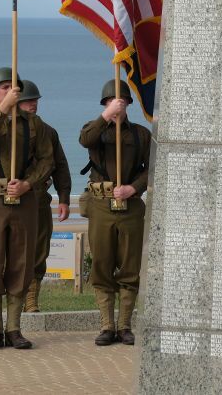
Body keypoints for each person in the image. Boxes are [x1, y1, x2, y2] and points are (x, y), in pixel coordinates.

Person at [0, 67, 54, 350]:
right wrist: (3, 109)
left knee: (21, 262)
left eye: (13, 87)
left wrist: (28, 184)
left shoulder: (34, 123)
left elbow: (46, 160)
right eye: (4, 87)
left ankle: (14, 328)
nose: (10, 91)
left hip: (23, 200)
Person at [80, 80, 152, 346]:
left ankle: (124, 326)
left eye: (120, 101)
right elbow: (85, 140)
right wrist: (106, 116)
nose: (116, 104)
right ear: (104, 103)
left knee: (130, 266)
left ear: (128, 103)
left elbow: (152, 167)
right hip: (101, 205)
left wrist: (133, 188)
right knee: (102, 264)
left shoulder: (141, 134)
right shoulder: (94, 129)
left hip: (130, 207)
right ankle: (106, 325)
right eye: (111, 101)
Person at [16, 80, 71, 313]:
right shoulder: (5, 130)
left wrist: (64, 198)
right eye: (28, 101)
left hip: (38, 200)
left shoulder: (48, 132)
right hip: (11, 201)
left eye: (35, 100)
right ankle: (13, 299)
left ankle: (31, 299)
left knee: (39, 250)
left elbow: (60, 166)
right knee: (12, 252)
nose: (33, 104)